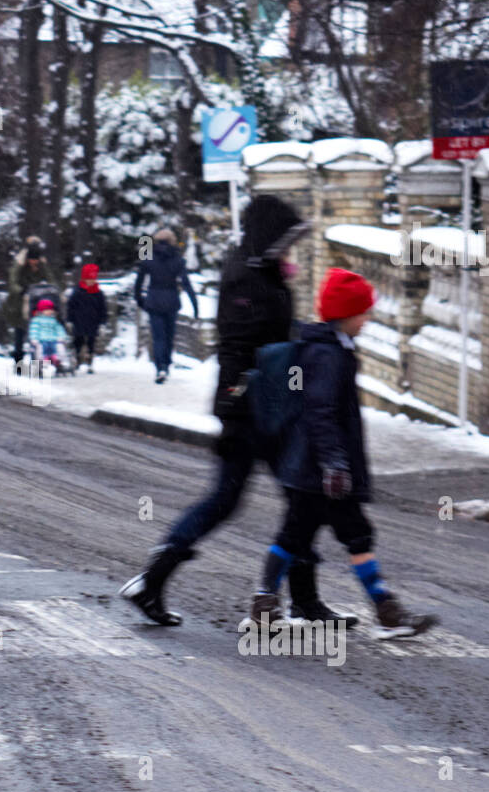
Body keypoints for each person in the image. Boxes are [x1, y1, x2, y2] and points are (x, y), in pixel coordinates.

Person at [121, 195, 340, 626]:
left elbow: (270, 336)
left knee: (297, 498)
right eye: (286, 241)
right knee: (251, 498)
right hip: (253, 411)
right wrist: (237, 409)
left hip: (270, 407)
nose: (291, 251)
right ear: (269, 237)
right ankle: (153, 579)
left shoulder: (262, 270)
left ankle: (304, 599)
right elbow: (238, 348)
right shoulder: (246, 277)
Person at [249, 268, 439, 639]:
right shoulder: (328, 354)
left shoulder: (332, 349)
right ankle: (385, 612)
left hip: (315, 468)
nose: (367, 319)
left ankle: (266, 604)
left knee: (310, 535)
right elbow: (321, 413)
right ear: (346, 315)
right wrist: (334, 464)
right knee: (338, 535)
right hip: (321, 471)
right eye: (363, 313)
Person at [134, 227, 198, 383]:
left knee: (158, 337)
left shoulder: (148, 258)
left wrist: (140, 300)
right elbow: (186, 284)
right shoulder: (178, 260)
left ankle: (160, 368)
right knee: (169, 336)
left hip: (154, 301)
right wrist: (195, 306)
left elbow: (138, 283)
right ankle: (166, 365)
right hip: (171, 301)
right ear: (172, 241)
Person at [5, 235, 48, 367]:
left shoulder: (41, 262)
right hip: (20, 305)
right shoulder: (19, 263)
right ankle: (18, 363)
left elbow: (48, 276)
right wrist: (20, 290)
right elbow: (13, 281)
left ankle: (37, 363)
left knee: (37, 335)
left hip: (36, 303)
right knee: (19, 335)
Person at [67, 262, 107, 373]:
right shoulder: (77, 292)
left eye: (93, 279)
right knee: (78, 341)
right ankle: (77, 359)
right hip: (78, 321)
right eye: (89, 278)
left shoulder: (99, 293)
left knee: (91, 342)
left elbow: (103, 308)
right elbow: (71, 306)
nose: (91, 281)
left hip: (93, 321)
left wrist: (103, 322)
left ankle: (89, 361)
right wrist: (70, 320)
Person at [28, 298, 68, 365]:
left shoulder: (54, 320)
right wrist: (34, 339)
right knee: (41, 349)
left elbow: (59, 329)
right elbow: (34, 330)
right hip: (42, 339)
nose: (49, 311)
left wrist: (62, 337)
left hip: (53, 339)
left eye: (50, 309)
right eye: (47, 310)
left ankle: (57, 359)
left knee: (58, 347)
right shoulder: (37, 320)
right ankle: (43, 360)